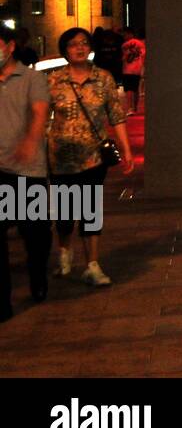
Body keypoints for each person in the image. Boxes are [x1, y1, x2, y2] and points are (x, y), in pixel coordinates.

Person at [47, 28, 135, 286]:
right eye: (73, 44)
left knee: (89, 209)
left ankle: (92, 265)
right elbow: (39, 116)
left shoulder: (103, 79)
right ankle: (65, 254)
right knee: (65, 212)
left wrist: (126, 149)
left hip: (93, 156)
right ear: (65, 50)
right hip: (61, 158)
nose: (80, 48)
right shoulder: (53, 81)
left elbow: (116, 116)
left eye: (84, 43)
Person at [0, 26, 52, 322]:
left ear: (9, 46)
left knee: (34, 234)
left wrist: (30, 141)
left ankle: (37, 276)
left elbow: (40, 112)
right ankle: (2, 302)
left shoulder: (33, 78)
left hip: (26, 170)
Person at [121, 29, 146, 115]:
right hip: (137, 69)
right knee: (135, 89)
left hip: (127, 69)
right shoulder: (140, 44)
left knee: (129, 89)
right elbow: (143, 55)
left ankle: (129, 108)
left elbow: (122, 57)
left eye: (125, 34)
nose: (124, 36)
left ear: (129, 34)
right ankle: (135, 108)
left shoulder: (124, 45)